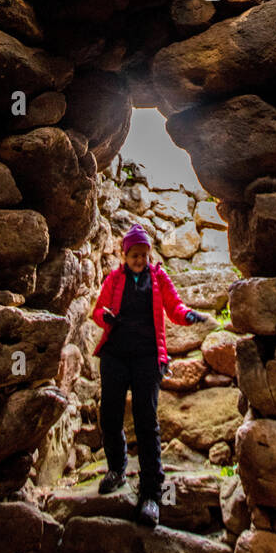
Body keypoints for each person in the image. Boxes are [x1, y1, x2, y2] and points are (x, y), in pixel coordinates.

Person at [91, 223, 208, 527]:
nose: (139, 260)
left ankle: (151, 495)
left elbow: (174, 306)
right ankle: (117, 469)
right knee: (110, 416)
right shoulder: (114, 279)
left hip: (147, 359)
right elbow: (98, 310)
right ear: (124, 254)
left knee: (146, 422)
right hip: (115, 355)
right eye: (134, 255)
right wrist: (104, 316)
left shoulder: (158, 278)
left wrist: (189, 316)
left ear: (149, 254)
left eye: (143, 254)